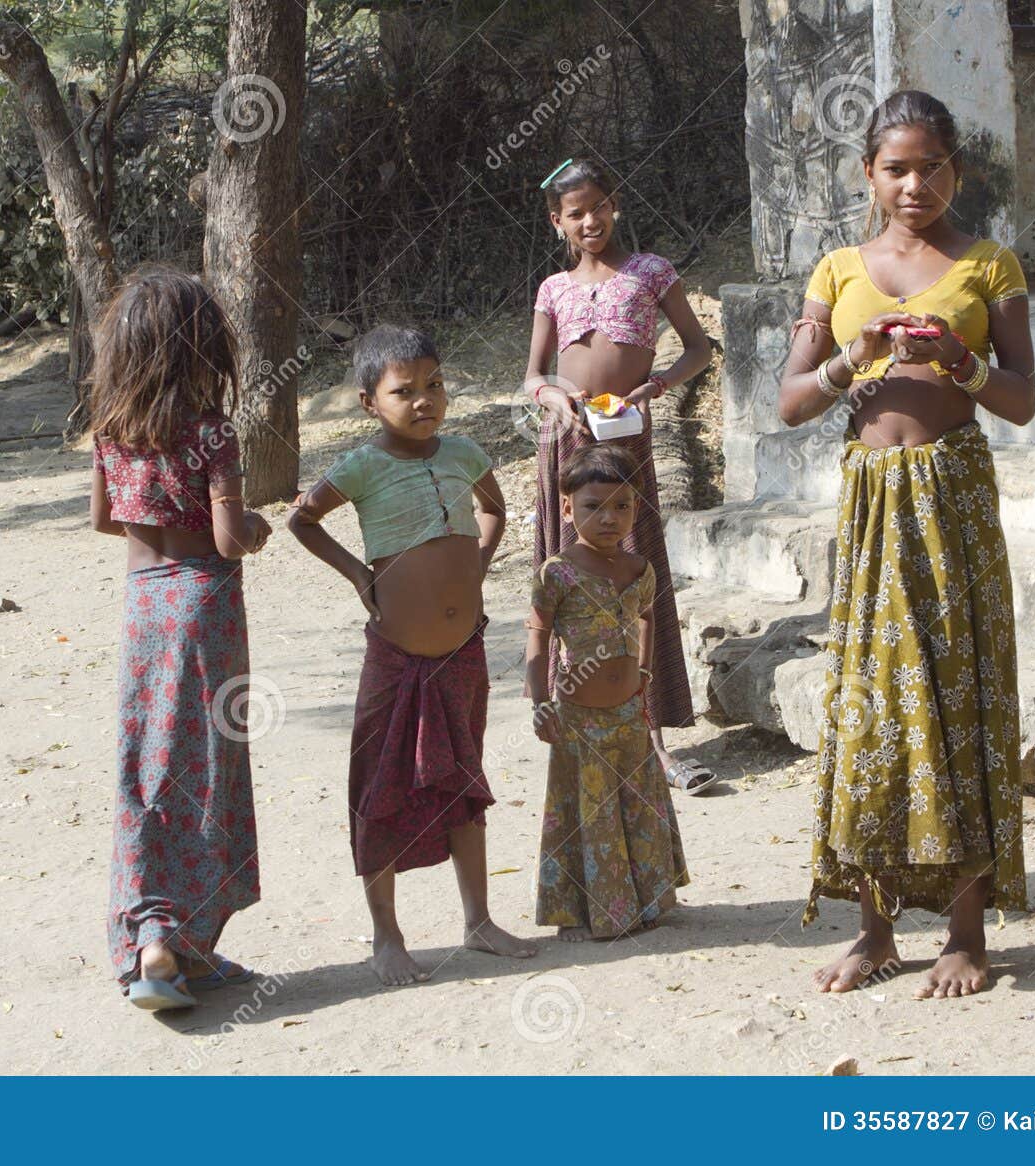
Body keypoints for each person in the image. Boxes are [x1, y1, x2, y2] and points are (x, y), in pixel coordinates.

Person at [781, 90, 1035, 999]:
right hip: (872, 502)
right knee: (873, 703)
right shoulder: (837, 270)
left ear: (955, 171)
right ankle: (875, 929)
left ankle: (966, 934)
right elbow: (792, 400)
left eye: (931, 166)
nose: (915, 183)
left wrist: (958, 361)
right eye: (897, 167)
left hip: (953, 497)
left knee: (956, 692)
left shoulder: (990, 266)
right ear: (869, 175)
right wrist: (859, 355)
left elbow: (1020, 399)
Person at [288, 324, 537, 985]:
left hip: (465, 652)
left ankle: (479, 921)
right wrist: (358, 576)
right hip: (397, 654)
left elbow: (494, 510)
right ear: (370, 402)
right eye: (404, 391)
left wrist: (477, 567)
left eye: (435, 385)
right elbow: (302, 520)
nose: (424, 400)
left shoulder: (462, 452)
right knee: (380, 786)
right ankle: (387, 934)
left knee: (465, 781)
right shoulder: (362, 467)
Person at [89, 269, 273, 1011]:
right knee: (206, 764)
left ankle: (153, 938)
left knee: (148, 762)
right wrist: (253, 526)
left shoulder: (111, 429)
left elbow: (105, 522)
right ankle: (176, 940)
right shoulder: (211, 432)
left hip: (144, 608)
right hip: (205, 609)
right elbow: (229, 541)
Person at [524, 156, 719, 794]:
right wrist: (554, 398)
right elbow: (534, 376)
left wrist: (653, 389)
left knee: (633, 579)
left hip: (625, 445)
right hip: (565, 449)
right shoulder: (552, 288)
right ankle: (577, 721)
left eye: (598, 207)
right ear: (557, 222)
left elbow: (699, 349)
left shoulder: (651, 273)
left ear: (616, 206)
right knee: (573, 580)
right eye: (575, 213)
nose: (590, 221)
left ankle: (652, 740)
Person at [526, 443, 690, 941]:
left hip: (628, 715)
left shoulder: (639, 571)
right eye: (594, 506)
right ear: (567, 505)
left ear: (636, 509)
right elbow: (537, 635)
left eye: (622, 506)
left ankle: (645, 901)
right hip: (579, 718)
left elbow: (646, 618)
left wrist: (644, 675)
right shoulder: (558, 572)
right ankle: (587, 911)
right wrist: (540, 703)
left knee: (639, 805)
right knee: (586, 814)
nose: (608, 518)